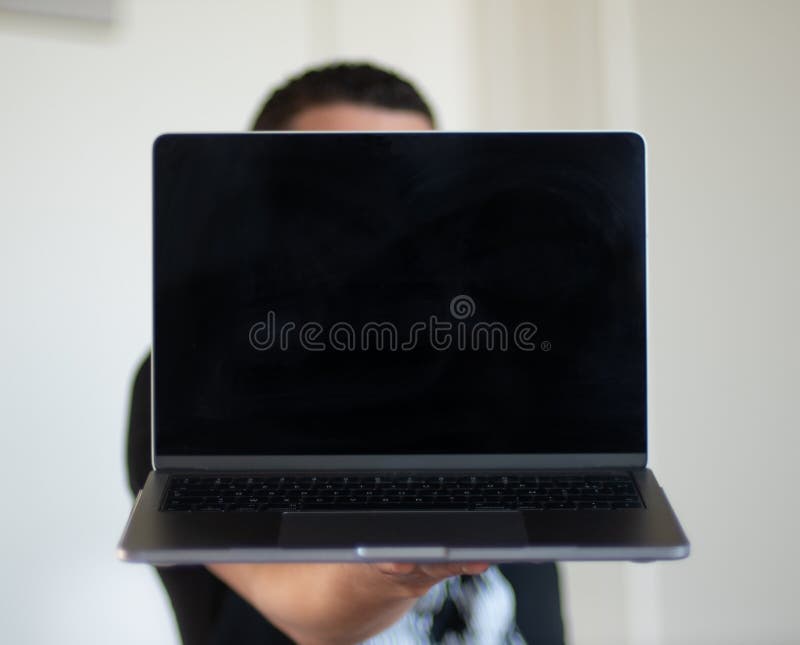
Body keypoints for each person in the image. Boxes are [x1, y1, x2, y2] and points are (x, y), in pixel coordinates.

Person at [127, 61, 564, 645]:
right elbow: (308, 611)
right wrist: (402, 574)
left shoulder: (495, 367)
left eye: (409, 186)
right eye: (337, 189)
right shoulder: (189, 384)